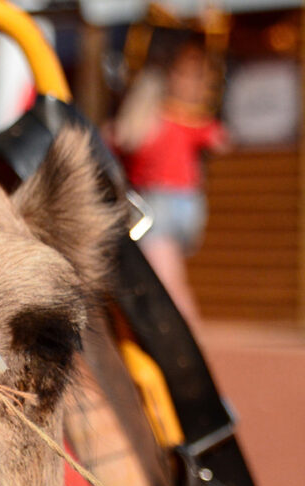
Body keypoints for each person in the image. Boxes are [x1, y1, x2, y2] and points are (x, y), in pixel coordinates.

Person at [113, 39, 231, 326]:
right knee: (166, 277)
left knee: (168, 282)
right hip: (184, 204)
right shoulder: (182, 122)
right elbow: (220, 139)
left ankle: (189, 343)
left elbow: (121, 143)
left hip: (159, 205)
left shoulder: (158, 122)